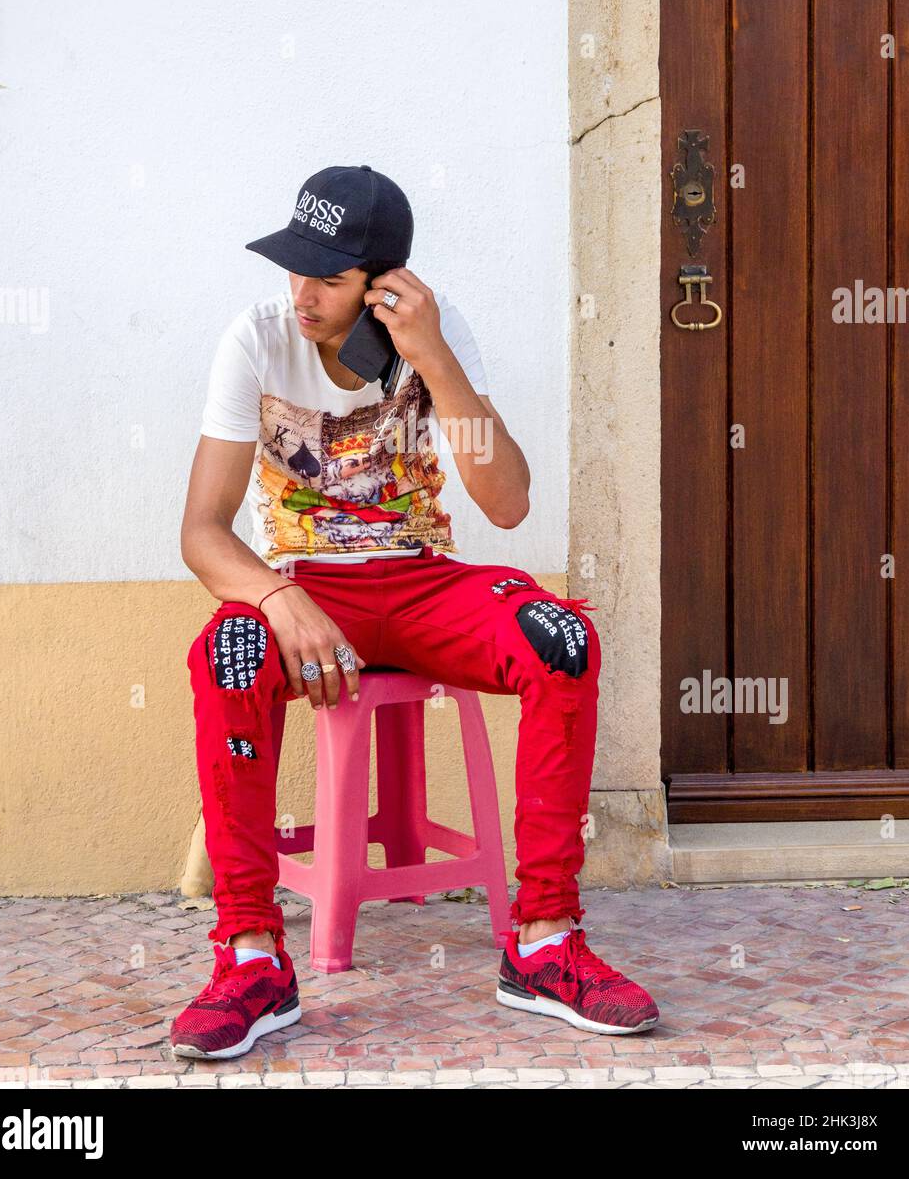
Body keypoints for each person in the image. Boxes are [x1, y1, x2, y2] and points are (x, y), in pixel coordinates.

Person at [170, 164, 659, 1059]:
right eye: (296, 268)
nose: (303, 292)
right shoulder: (257, 339)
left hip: (424, 580)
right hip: (307, 586)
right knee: (228, 656)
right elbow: (202, 533)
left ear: (380, 283)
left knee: (564, 641)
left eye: (328, 276)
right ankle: (251, 961)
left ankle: (544, 943)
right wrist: (282, 597)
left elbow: (506, 502)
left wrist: (430, 355)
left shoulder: (435, 334)